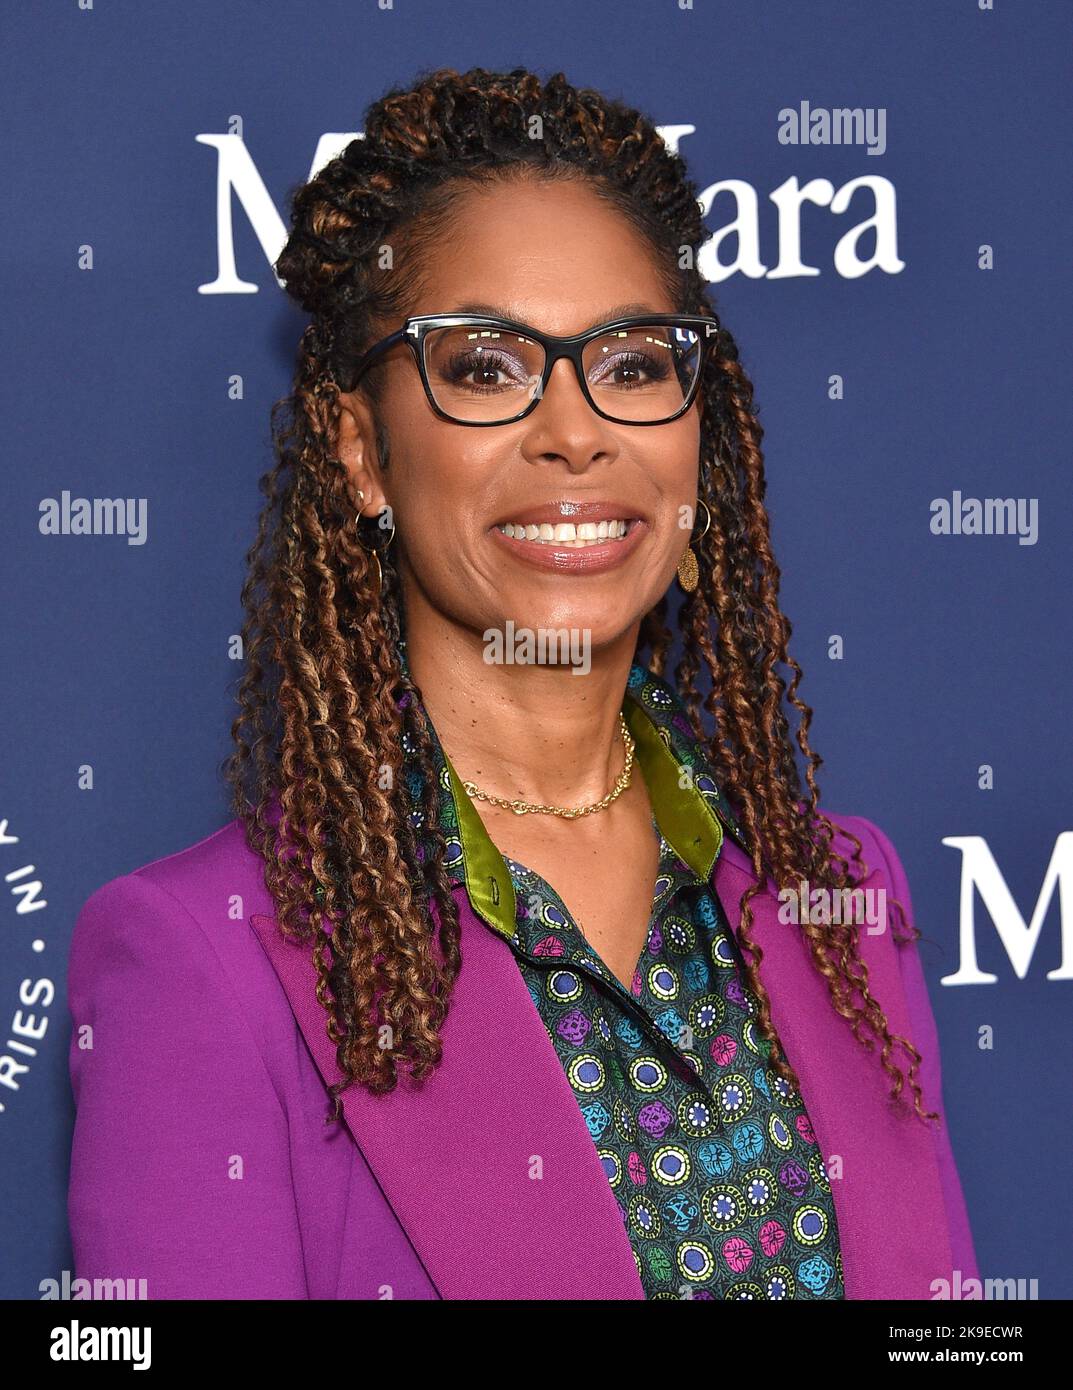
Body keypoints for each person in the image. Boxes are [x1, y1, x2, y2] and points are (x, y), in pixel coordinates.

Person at [67, 65, 978, 1300]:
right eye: (486, 367)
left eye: (635, 362)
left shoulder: (842, 900)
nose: (574, 429)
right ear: (360, 452)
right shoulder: (204, 962)